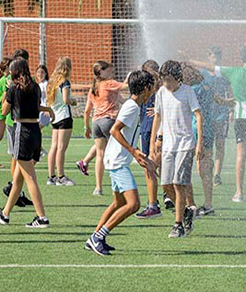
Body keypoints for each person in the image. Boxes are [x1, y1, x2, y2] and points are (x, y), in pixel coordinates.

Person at [85, 70, 157, 256]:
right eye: (152, 86)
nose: (154, 89)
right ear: (146, 88)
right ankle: (98, 237)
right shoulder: (132, 107)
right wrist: (133, 152)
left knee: (118, 202)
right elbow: (115, 131)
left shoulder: (134, 105)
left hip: (116, 159)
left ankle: (92, 237)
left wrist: (140, 157)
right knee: (133, 204)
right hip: (117, 162)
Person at [189, 46, 246, 202]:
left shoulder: (233, 71)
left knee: (241, 155)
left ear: (242, 59)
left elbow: (210, 67)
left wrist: (190, 59)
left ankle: (239, 192)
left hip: (240, 117)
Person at [0, 58, 54, 228]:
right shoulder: (34, 86)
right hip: (35, 133)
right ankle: (5, 214)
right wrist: (48, 109)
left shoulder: (13, 88)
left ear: (14, 72)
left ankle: (42, 218)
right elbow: (36, 107)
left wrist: (6, 93)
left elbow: (4, 111)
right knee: (18, 178)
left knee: (30, 178)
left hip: (22, 132)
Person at [150, 60, 204, 239]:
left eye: (170, 80)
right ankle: (186, 212)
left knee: (178, 184)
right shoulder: (161, 93)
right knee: (166, 184)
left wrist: (199, 142)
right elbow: (158, 117)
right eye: (164, 80)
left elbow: (198, 114)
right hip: (167, 146)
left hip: (185, 145)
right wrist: (154, 141)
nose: (167, 84)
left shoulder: (187, 92)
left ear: (178, 78)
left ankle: (178, 224)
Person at [77, 60, 128, 196]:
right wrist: (130, 75)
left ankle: (98, 188)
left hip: (96, 123)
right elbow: (126, 86)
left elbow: (87, 110)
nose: (112, 73)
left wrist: (86, 127)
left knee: (100, 155)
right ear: (101, 72)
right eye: (109, 71)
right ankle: (118, 186)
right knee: (118, 153)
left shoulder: (93, 88)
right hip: (108, 121)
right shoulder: (108, 84)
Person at [184, 63, 218, 217]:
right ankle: (208, 204)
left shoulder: (192, 90)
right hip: (209, 130)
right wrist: (225, 102)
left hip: (196, 131)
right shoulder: (206, 86)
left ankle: (190, 205)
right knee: (206, 169)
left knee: (189, 168)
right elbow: (215, 98)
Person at [0, 49, 33, 207]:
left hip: (25, 124)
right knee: (16, 156)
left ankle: (17, 189)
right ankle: (15, 188)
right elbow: (3, 106)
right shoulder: (10, 81)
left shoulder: (28, 81)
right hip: (15, 122)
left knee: (23, 159)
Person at [135, 59, 164, 218]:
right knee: (150, 166)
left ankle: (155, 202)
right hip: (147, 129)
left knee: (153, 165)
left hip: (158, 131)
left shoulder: (162, 88)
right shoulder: (144, 87)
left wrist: (158, 111)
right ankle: (157, 200)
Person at [46, 57, 77, 186]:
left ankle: (51, 176)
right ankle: (61, 176)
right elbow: (65, 99)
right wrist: (73, 101)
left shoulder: (52, 82)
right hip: (64, 116)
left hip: (55, 117)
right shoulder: (65, 82)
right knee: (61, 148)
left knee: (54, 147)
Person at [205, 47, 231, 188]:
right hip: (207, 114)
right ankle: (208, 169)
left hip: (221, 114)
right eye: (213, 57)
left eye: (217, 57)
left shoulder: (224, 74)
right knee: (207, 146)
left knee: (220, 144)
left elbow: (229, 92)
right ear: (209, 57)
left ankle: (217, 174)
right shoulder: (203, 74)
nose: (215, 60)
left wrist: (231, 110)